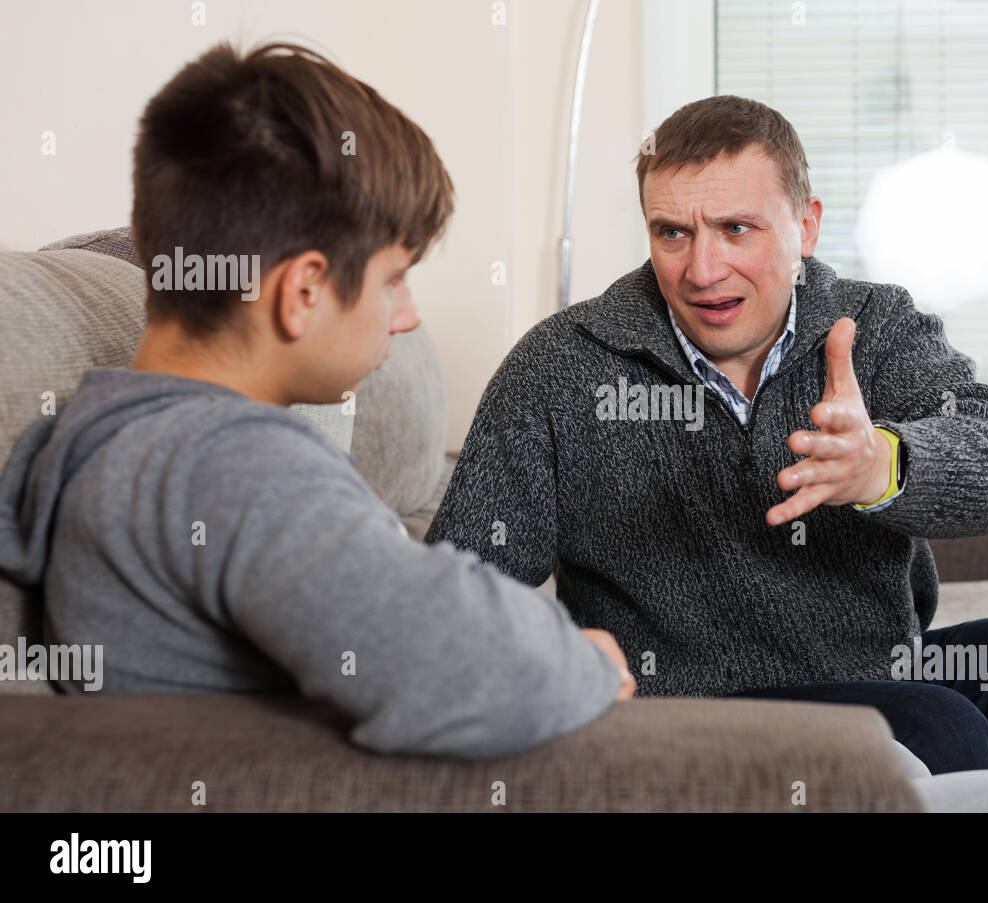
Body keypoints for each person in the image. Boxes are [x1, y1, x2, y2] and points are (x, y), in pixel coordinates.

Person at [426, 94, 988, 811]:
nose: (703, 269)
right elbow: (456, 586)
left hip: (889, 677)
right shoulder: (561, 365)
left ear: (805, 225)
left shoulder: (872, 325)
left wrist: (885, 466)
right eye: (673, 232)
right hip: (692, 715)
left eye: (737, 228)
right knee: (933, 732)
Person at [0, 40, 634, 761]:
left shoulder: (105, 439)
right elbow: (456, 663)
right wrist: (582, 656)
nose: (409, 315)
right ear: (302, 293)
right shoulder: (229, 465)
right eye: (395, 278)